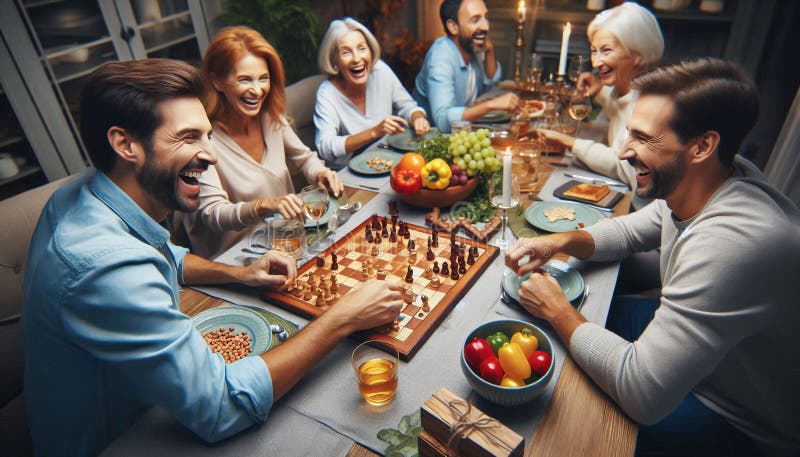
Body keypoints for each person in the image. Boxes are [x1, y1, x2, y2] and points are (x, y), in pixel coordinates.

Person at [21, 59, 403, 456]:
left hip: (152, 399)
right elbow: (221, 407)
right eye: (188, 137)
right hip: (122, 439)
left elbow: (166, 255)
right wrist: (342, 318)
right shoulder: (105, 265)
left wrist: (240, 274)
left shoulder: (88, 196)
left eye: (206, 135)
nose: (211, 156)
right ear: (125, 144)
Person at [506, 59, 800, 457]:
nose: (625, 151)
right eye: (630, 133)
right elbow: (628, 230)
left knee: (567, 423)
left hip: (737, 415)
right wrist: (556, 242)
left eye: (643, 139)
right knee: (587, 321)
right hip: (710, 361)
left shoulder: (733, 243)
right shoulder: (710, 178)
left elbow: (641, 392)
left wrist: (557, 309)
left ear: (702, 146)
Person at [182, 26, 343, 259]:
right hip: (235, 259)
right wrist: (262, 205)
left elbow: (305, 158)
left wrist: (320, 173)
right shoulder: (202, 140)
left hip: (287, 243)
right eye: (244, 79)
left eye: (263, 78)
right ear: (217, 81)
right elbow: (213, 214)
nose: (257, 90)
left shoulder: (270, 117)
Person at [535, 2, 663, 205]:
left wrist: (569, 142)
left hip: (634, 207)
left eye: (606, 51)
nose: (595, 62)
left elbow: (623, 165)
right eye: (594, 51)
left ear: (637, 54)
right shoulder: (629, 89)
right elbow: (619, 109)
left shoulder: (650, 105)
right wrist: (599, 90)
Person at [314, 17, 430, 170]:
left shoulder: (381, 71)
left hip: (387, 162)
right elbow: (325, 147)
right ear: (335, 61)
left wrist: (418, 117)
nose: (357, 59)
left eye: (362, 49)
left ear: (370, 50)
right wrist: (374, 132)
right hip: (346, 175)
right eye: (346, 52)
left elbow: (408, 106)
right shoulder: (327, 93)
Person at [412, 0, 519, 132]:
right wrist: (490, 105)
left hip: (460, 133)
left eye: (486, 18)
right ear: (453, 27)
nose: (485, 27)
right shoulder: (440, 56)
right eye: (475, 20)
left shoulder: (470, 47)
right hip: (427, 141)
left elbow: (492, 85)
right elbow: (442, 119)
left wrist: (490, 51)